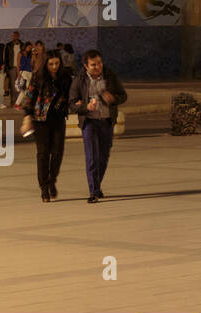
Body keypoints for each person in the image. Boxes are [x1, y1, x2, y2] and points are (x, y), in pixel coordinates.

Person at [68, 50, 128, 203]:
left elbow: (123, 95)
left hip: (106, 121)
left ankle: (97, 185)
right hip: (89, 122)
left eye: (99, 63)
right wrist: (85, 107)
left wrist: (112, 98)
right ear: (86, 66)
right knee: (92, 157)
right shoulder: (79, 80)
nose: (97, 67)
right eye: (93, 65)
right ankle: (93, 191)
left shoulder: (109, 76)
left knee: (103, 157)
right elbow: (72, 103)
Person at [19, 53, 72, 202]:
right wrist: (27, 117)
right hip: (40, 120)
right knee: (43, 154)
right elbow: (29, 97)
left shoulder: (65, 78)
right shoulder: (38, 77)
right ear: (46, 64)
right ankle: (44, 188)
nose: (54, 67)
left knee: (57, 153)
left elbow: (71, 96)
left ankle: (51, 180)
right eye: (51, 64)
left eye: (57, 63)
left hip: (58, 120)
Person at [4, 30, 23, 101]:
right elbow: (6, 57)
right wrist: (7, 68)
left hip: (20, 68)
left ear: (18, 36)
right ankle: (13, 101)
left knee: (19, 85)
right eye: (13, 36)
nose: (14, 37)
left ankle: (18, 101)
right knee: (12, 86)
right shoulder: (8, 45)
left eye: (16, 36)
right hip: (12, 68)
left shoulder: (22, 45)